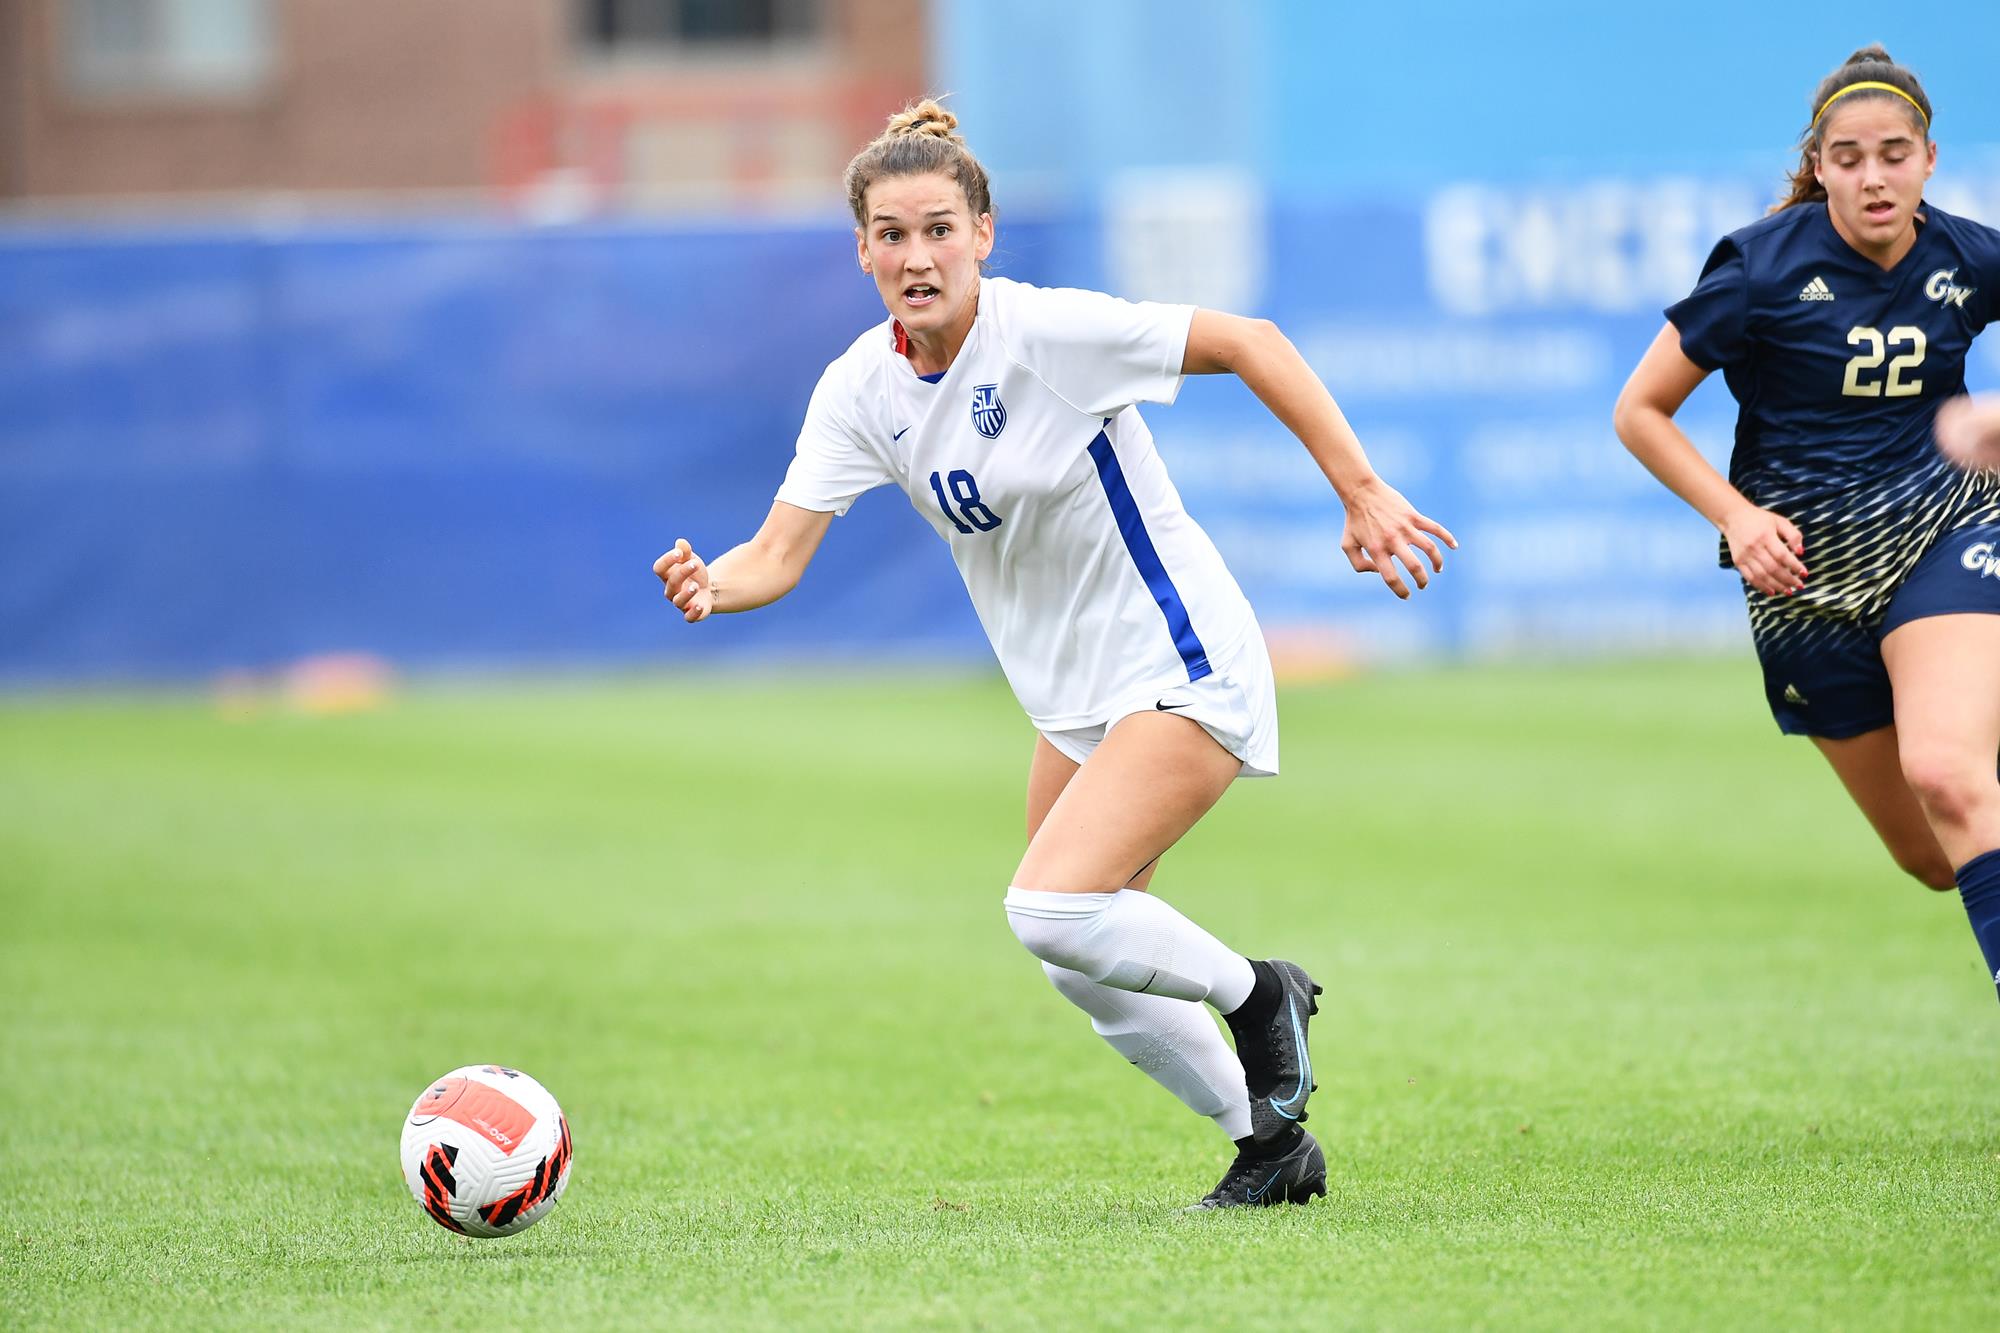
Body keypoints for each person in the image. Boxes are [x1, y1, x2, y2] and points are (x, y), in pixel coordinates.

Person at [653, 100, 1454, 1207]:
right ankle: (1268, 1145)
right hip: (1073, 697)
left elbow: (1249, 340)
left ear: (982, 232)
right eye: (890, 234)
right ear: (861, 251)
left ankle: (1261, 994)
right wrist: (713, 583)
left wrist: (1360, 491)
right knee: (1070, 950)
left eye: (938, 227)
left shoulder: (1047, 335)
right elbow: (775, 556)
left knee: (1048, 906)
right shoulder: (859, 388)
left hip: (1179, 661)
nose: (915, 254)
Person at [1613, 46, 2000, 1001]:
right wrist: (1738, 517)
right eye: (1852, 156)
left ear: (1930, 160)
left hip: (1942, 528)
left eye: (1896, 154)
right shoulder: (1758, 269)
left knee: (1950, 773)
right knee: (1934, 855)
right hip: (1805, 585)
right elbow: (1640, 412)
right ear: (1819, 165)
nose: (1876, 176)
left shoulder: (1968, 255)